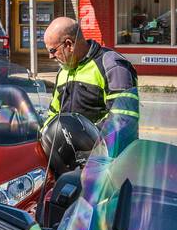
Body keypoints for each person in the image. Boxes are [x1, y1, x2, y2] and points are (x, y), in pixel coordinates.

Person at [41, 16, 139, 151]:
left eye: (52, 50)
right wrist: (44, 133)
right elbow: (53, 113)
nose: (50, 56)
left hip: (105, 156)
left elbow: (123, 119)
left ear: (69, 44)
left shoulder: (112, 66)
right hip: (69, 155)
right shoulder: (64, 70)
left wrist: (85, 139)